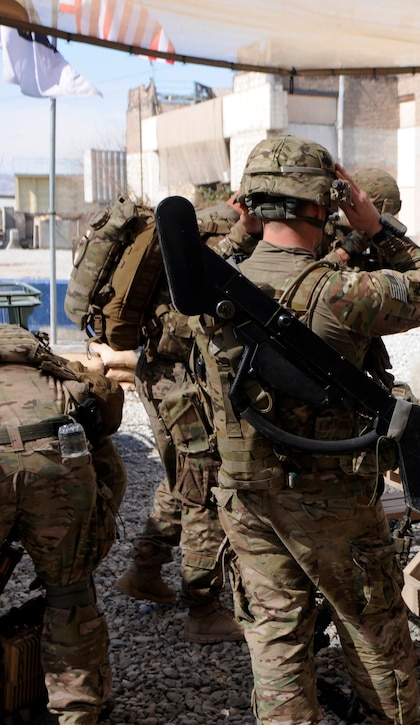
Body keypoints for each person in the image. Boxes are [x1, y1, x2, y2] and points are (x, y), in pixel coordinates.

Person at [185, 135, 420, 724]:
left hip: (246, 493)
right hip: (330, 500)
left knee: (277, 636)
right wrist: (378, 226)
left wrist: (242, 229)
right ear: (323, 206)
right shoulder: (343, 293)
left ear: (251, 203)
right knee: (373, 632)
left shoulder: (209, 289)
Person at [113, 201, 245, 644]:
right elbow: (199, 322)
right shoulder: (221, 237)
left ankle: (144, 570)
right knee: (203, 492)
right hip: (183, 386)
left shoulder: (189, 226)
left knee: (181, 478)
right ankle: (202, 609)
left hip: (158, 377)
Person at [0, 323, 125, 724]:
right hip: (58, 467)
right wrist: (93, 528)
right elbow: (108, 409)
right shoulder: (50, 367)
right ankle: (77, 712)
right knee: (70, 593)